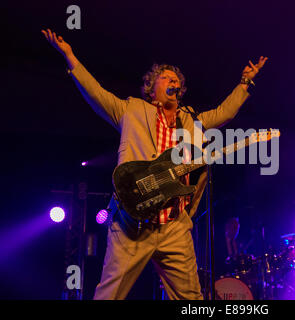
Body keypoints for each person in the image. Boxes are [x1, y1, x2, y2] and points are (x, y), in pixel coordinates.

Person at [41, 28, 268, 300]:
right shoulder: (132, 110)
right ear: (152, 88)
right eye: (165, 78)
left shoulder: (192, 120)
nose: (172, 81)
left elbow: (225, 112)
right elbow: (96, 94)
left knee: (191, 300)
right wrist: (69, 56)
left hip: (174, 226)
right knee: (109, 295)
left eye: (176, 80)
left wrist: (246, 82)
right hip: (133, 225)